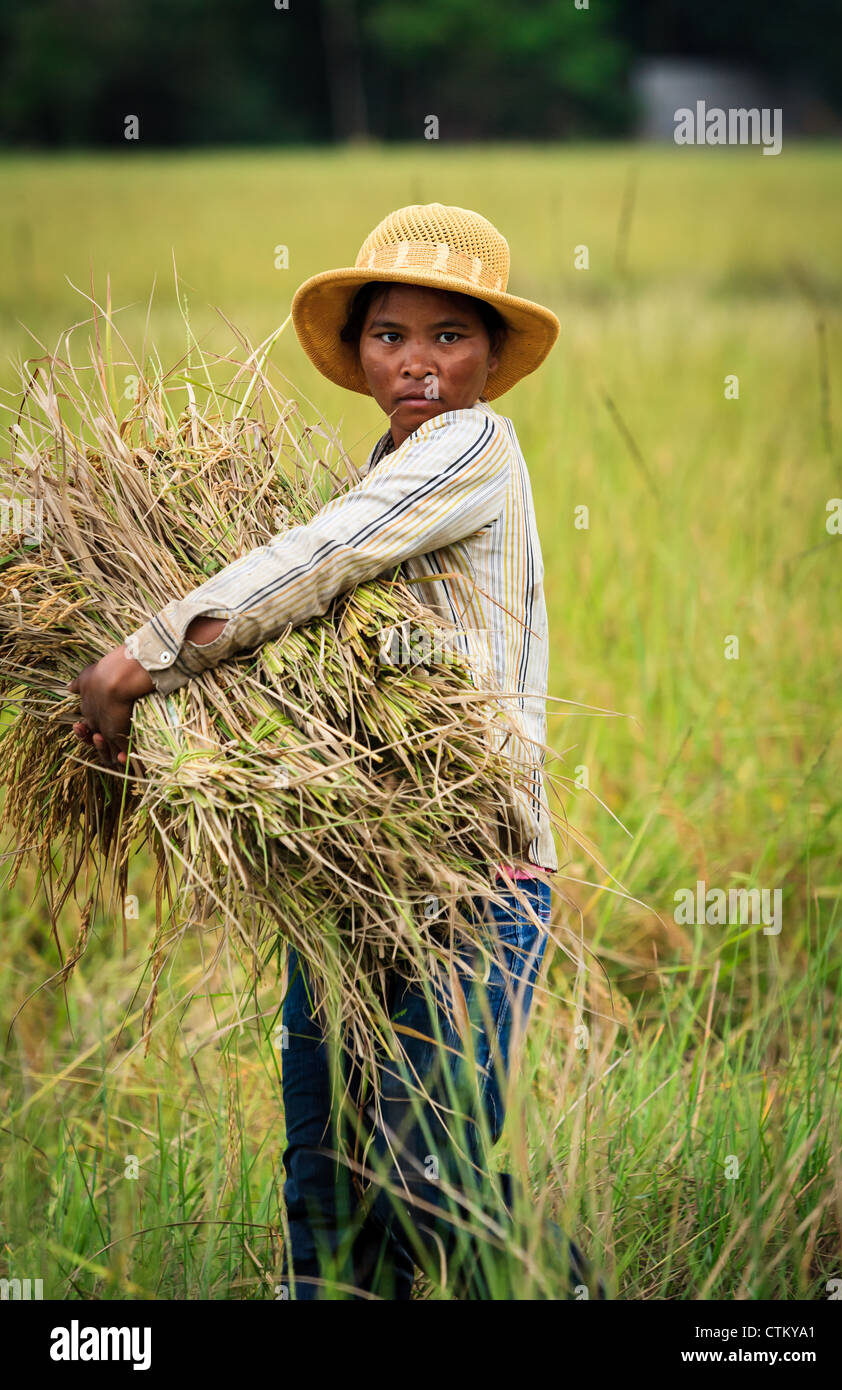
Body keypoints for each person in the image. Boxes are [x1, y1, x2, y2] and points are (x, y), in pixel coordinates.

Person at [66, 202, 600, 1299]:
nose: (417, 364)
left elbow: (316, 558)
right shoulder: (382, 467)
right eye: (389, 336)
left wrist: (139, 659)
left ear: (493, 359)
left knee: (427, 1171)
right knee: (326, 1180)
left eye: (449, 336)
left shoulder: (470, 447)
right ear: (358, 354)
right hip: (355, 880)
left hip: (471, 877)